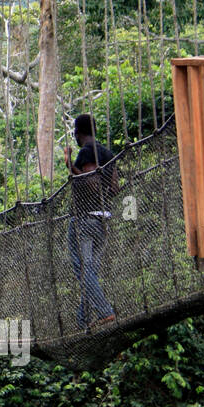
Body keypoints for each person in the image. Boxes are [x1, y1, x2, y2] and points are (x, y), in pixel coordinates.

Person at [66, 113, 117, 329]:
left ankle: (105, 312)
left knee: (82, 270)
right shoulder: (108, 154)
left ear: (78, 133)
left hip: (84, 221)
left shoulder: (87, 151)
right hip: (103, 221)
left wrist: (70, 164)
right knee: (91, 273)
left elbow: (90, 183)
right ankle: (83, 322)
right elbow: (114, 188)